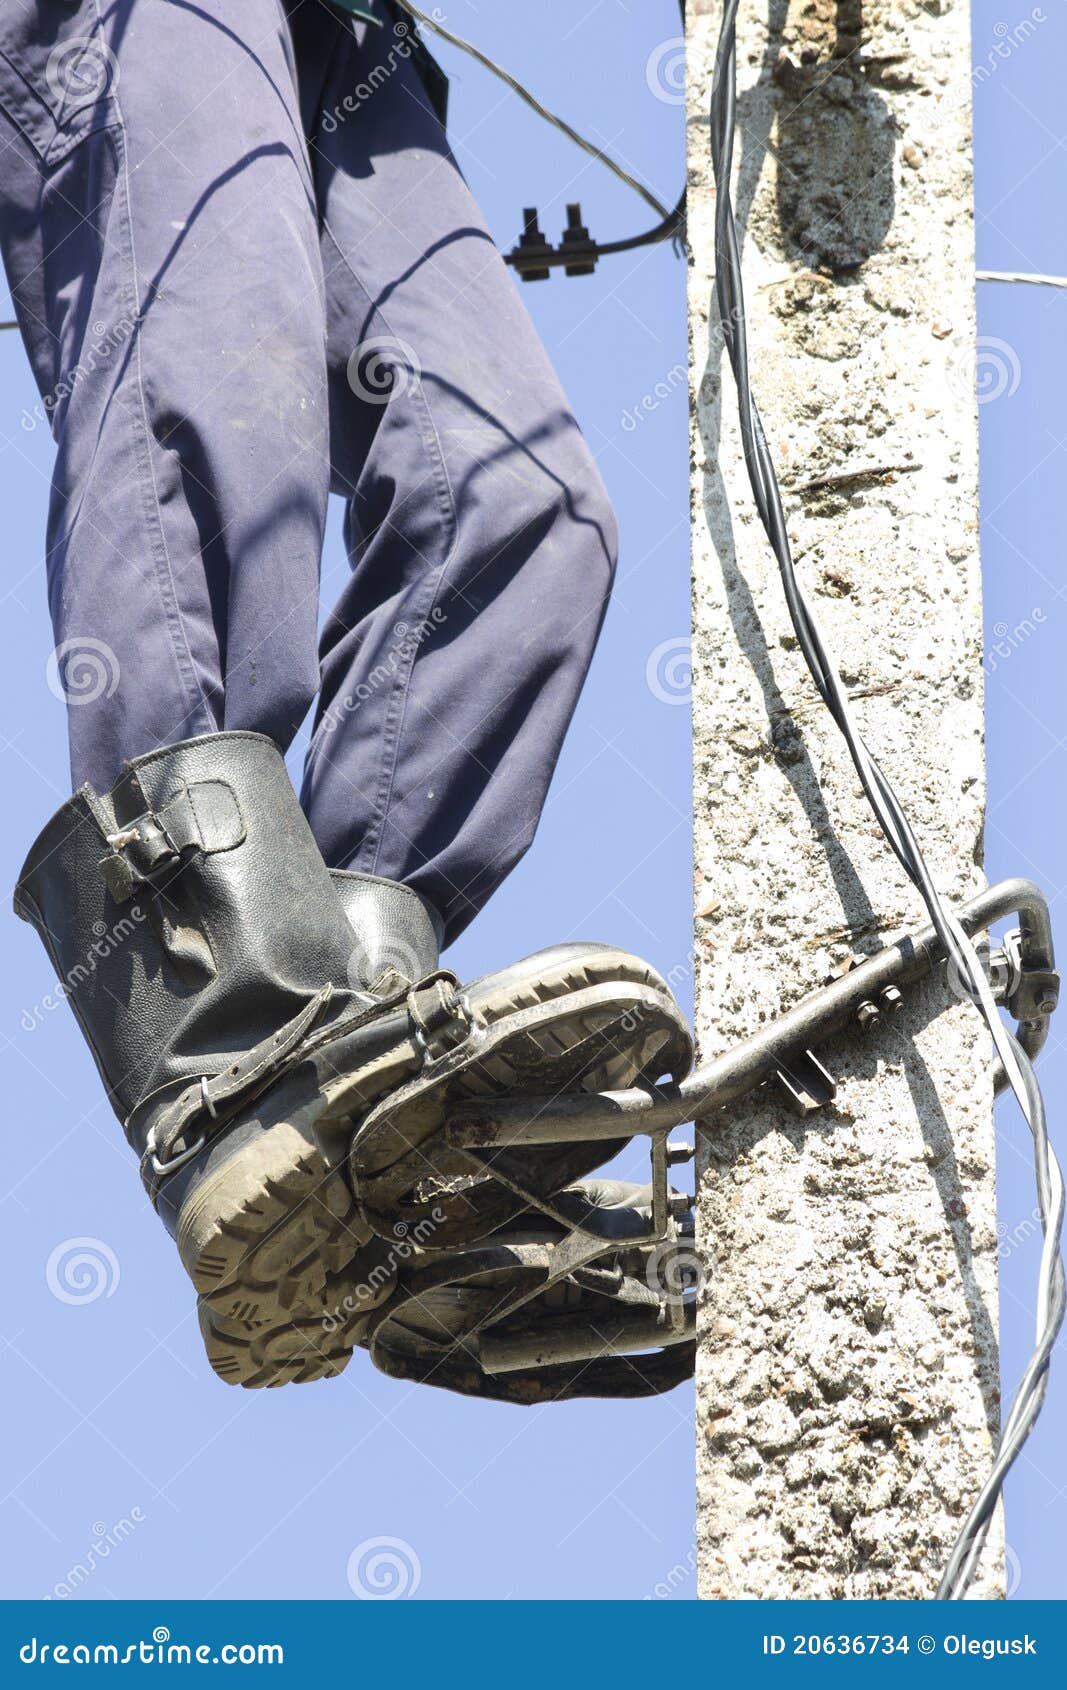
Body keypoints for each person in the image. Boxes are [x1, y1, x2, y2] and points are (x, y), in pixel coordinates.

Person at [0, 1, 690, 1388]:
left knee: (525, 501)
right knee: (206, 365)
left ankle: (374, 1096)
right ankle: (222, 1066)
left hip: (355, 41)